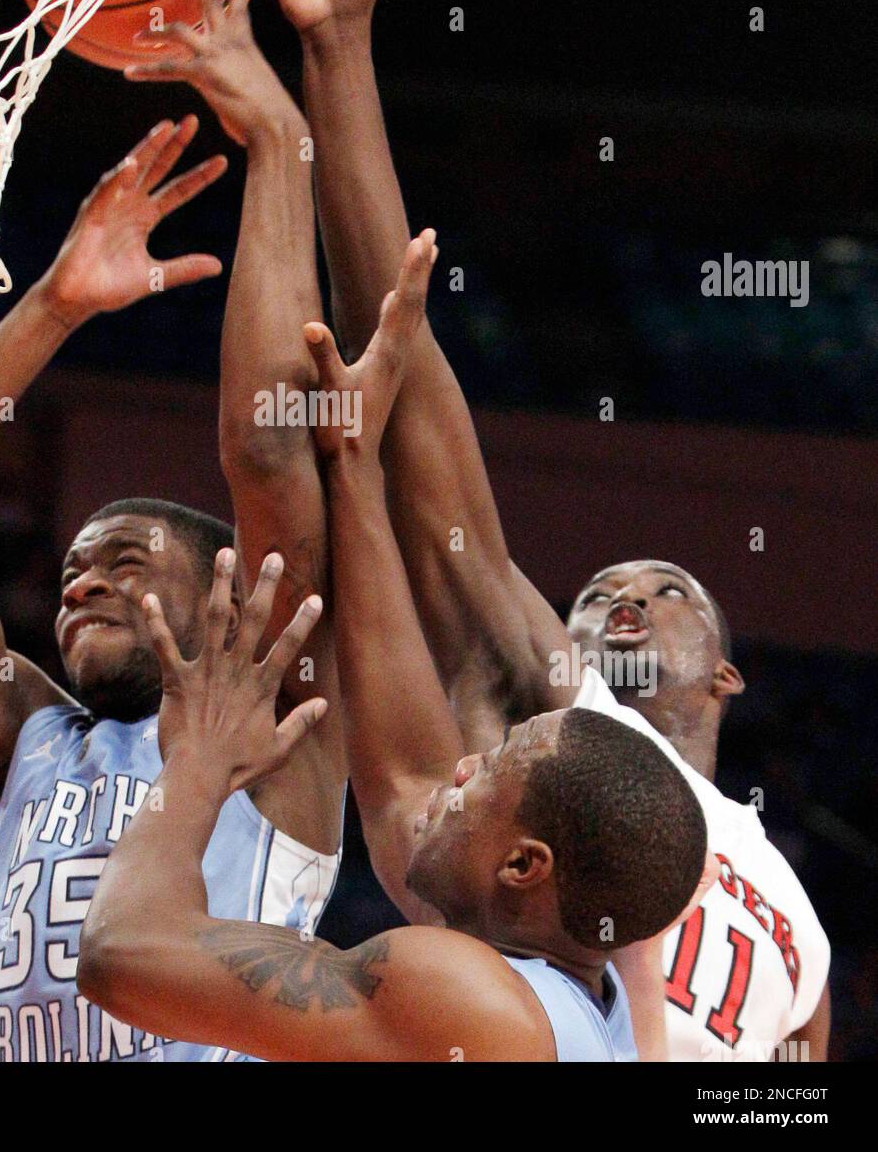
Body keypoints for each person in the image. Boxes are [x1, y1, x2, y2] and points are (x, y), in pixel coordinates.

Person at [254, 0, 831, 1061]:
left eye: (668, 589)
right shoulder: (570, 722)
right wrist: (342, 52)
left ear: (725, 676)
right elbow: (408, 391)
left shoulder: (801, 922)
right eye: (599, 591)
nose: (625, 595)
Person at [77, 234, 708, 1062]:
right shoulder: (592, 1006)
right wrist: (352, 463)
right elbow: (405, 778)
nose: (459, 766)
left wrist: (197, 760)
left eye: (489, 771)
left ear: (523, 864)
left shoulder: (468, 1003)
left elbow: (121, 956)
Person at [0, 107, 345, 1062]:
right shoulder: (24, 735)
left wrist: (276, 142)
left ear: (224, 596)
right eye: (71, 572)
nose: (82, 585)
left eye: (126, 563)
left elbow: (270, 455)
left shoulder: (281, 727)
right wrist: (53, 307)